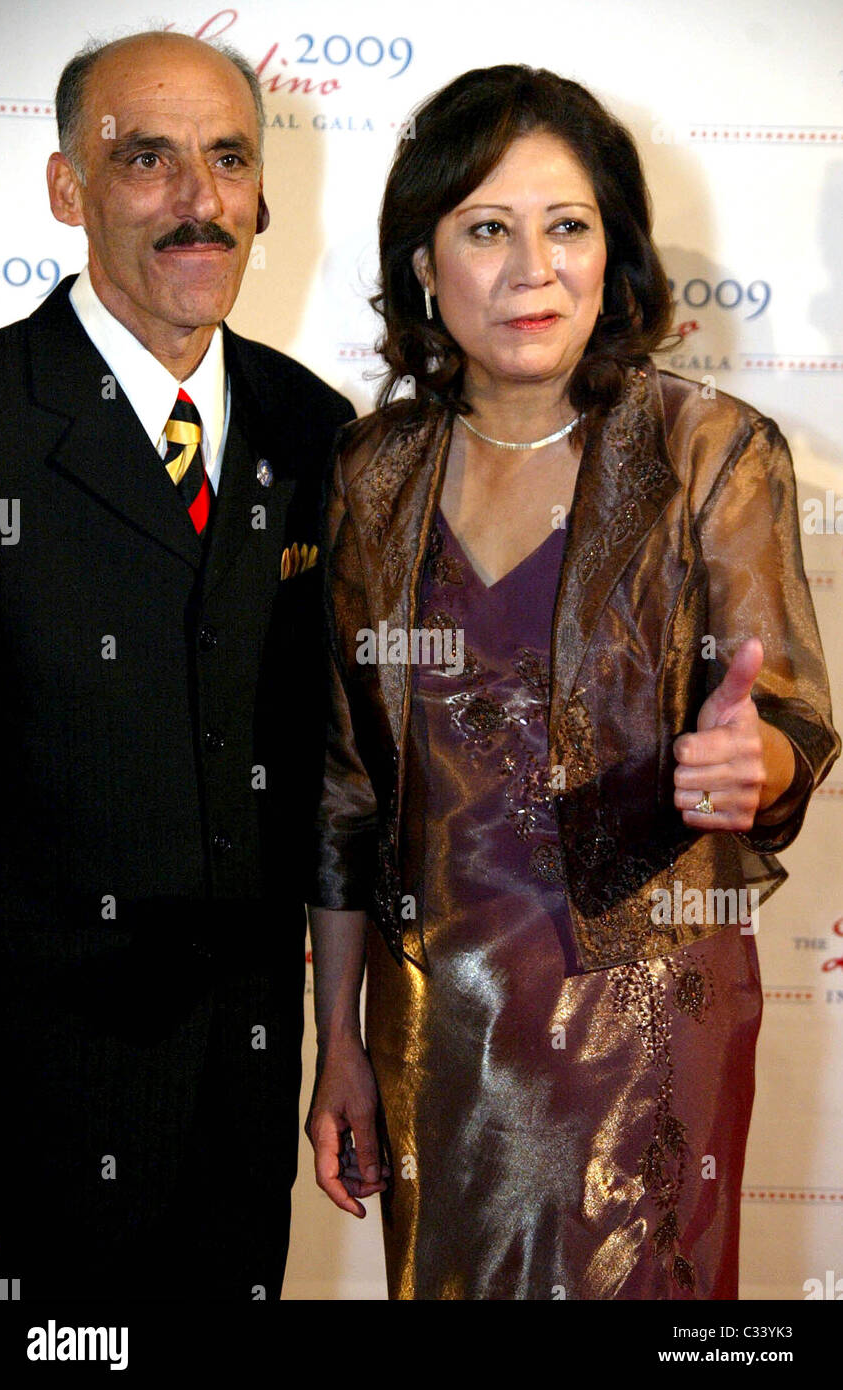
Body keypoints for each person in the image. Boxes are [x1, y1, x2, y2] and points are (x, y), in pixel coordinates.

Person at [305, 65, 840, 1300]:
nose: (529, 269)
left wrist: (745, 762)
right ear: (424, 264)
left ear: (616, 255)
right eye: (485, 229)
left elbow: (790, 722)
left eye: (566, 227)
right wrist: (337, 1043)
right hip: (434, 1024)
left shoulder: (708, 450)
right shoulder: (369, 476)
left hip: (646, 1021)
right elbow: (342, 797)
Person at [0, 30, 353, 1301]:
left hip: (241, 1100)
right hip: (26, 1107)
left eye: (226, 159)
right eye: (148, 158)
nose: (199, 201)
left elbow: (333, 770)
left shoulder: (317, 431)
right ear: (65, 190)